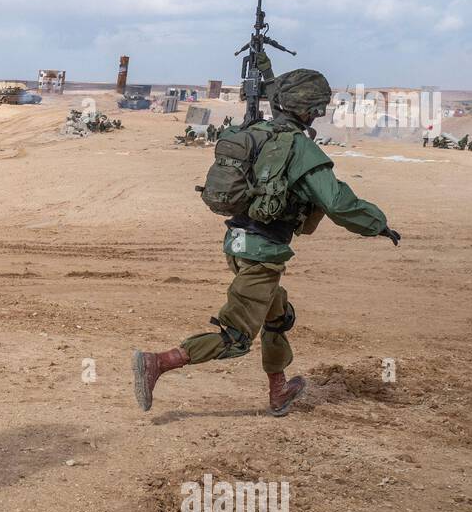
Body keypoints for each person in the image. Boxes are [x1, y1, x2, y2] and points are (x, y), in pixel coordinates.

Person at [132, 69, 399, 417]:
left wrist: (263, 63)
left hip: (238, 243)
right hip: (263, 253)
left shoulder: (255, 132)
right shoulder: (300, 148)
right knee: (237, 337)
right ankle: (159, 363)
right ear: (311, 110)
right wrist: (377, 225)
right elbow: (336, 202)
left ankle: (278, 389)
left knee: (278, 316)